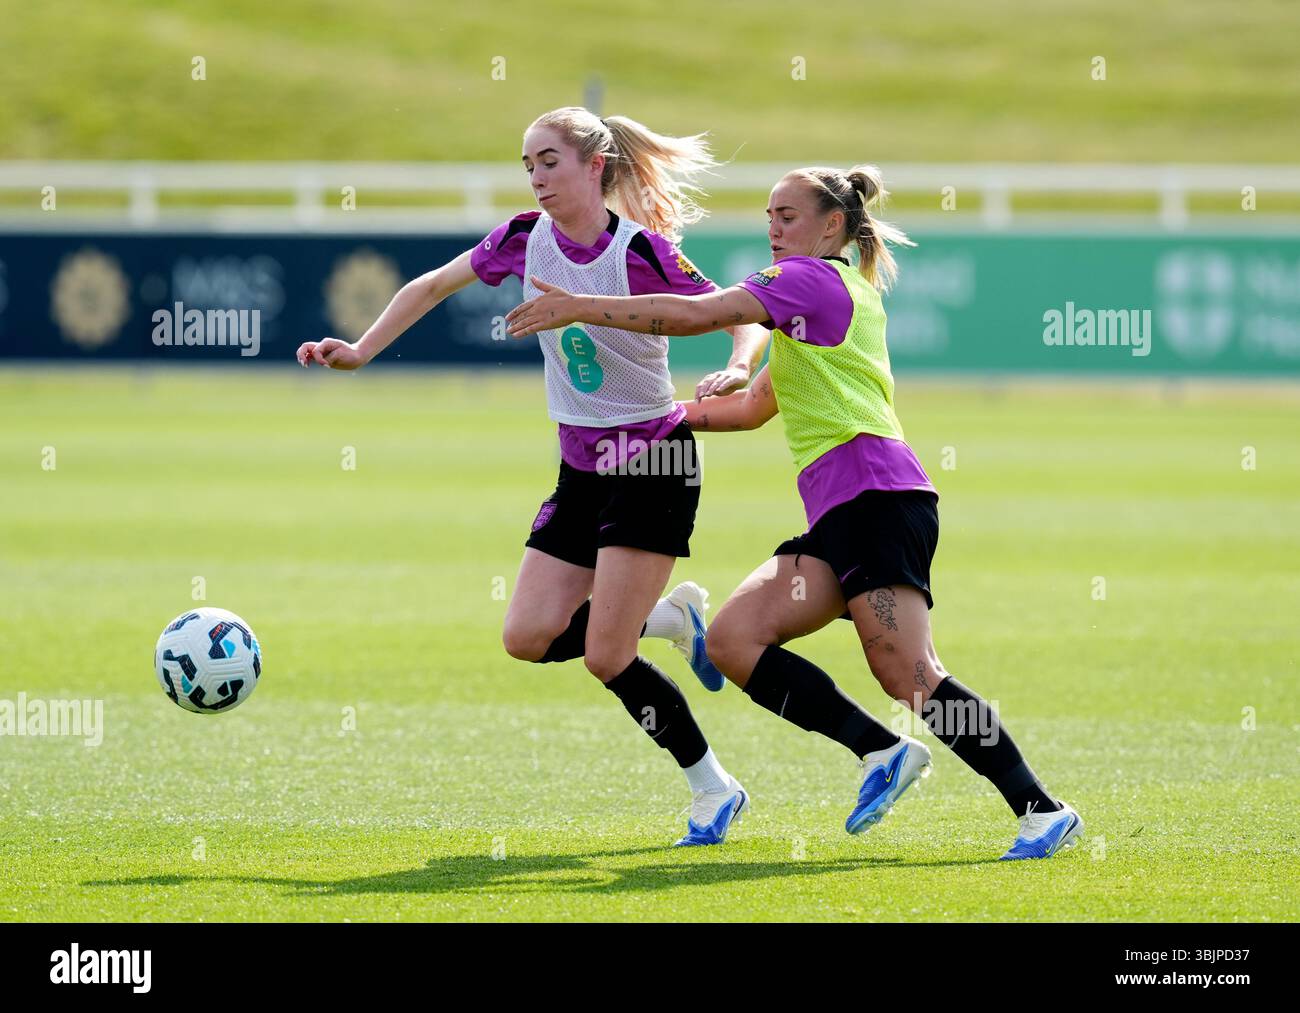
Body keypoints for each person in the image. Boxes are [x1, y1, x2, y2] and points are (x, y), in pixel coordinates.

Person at [505, 163, 1084, 860]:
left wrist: (580, 305)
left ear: (831, 225)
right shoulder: (824, 300)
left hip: (878, 500)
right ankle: (880, 751)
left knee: (911, 674)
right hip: (840, 515)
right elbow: (752, 409)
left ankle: (1041, 809)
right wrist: (655, 419)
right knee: (731, 639)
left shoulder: (808, 281)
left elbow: (697, 313)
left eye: (787, 216)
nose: (773, 229)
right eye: (768, 217)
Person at [297, 107, 770, 847]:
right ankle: (673, 621)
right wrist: (358, 350)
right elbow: (430, 286)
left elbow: (738, 312)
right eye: (527, 164)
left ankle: (713, 787)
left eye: (549, 161)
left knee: (605, 656)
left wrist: (739, 366)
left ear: (594, 166)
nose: (536, 177)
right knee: (525, 635)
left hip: (654, 462)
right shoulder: (525, 238)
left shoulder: (639, 251)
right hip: (581, 470)